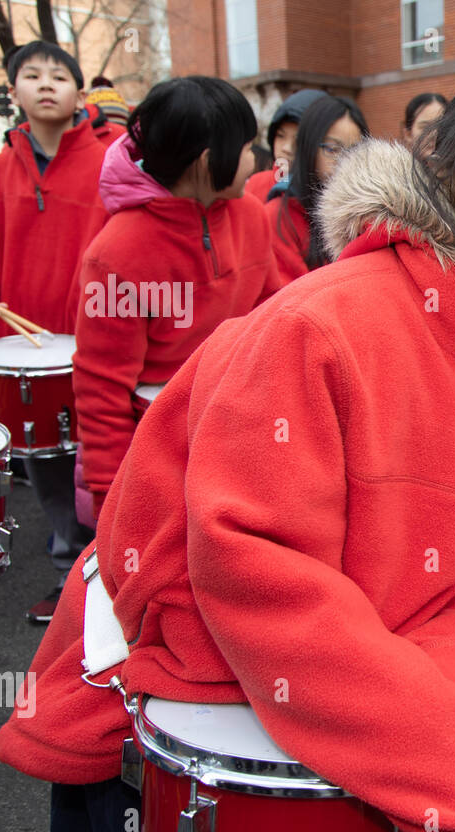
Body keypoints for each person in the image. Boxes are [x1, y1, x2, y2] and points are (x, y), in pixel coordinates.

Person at [0, 61, 455, 832]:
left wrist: (447, 668)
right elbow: (254, 574)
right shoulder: (324, 324)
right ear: (446, 173)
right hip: (184, 700)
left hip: (350, 705)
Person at [73, 76, 283, 526]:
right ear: (208, 162)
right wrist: (112, 498)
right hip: (156, 448)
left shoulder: (251, 216)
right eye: (247, 147)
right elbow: (101, 388)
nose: (255, 160)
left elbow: (270, 318)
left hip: (232, 428)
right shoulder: (115, 254)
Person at [0, 40, 114, 624]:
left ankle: (113, 568)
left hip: (97, 336)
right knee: (47, 463)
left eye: (59, 75)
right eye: (31, 75)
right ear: (14, 92)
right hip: (23, 347)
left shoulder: (109, 160)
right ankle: (67, 572)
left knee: (100, 456)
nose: (46, 84)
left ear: (79, 93)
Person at [267, 95, 368, 285]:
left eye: (354, 151)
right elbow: (289, 300)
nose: (344, 161)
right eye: (332, 149)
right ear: (308, 148)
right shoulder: (279, 216)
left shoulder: (368, 215)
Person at [243, 88, 328, 202]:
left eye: (298, 140)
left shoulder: (331, 193)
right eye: (280, 136)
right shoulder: (256, 184)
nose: (286, 148)